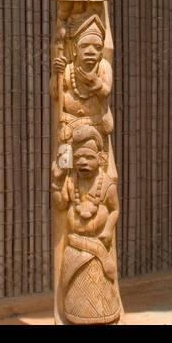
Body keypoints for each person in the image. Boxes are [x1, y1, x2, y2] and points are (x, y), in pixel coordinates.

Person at [52, 125, 121, 324]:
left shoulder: (106, 184)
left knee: (101, 293)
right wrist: (57, 183)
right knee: (75, 296)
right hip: (74, 247)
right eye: (78, 157)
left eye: (89, 157)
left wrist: (108, 229)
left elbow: (115, 209)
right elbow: (60, 204)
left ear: (100, 159)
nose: (83, 162)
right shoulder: (71, 181)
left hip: (99, 249)